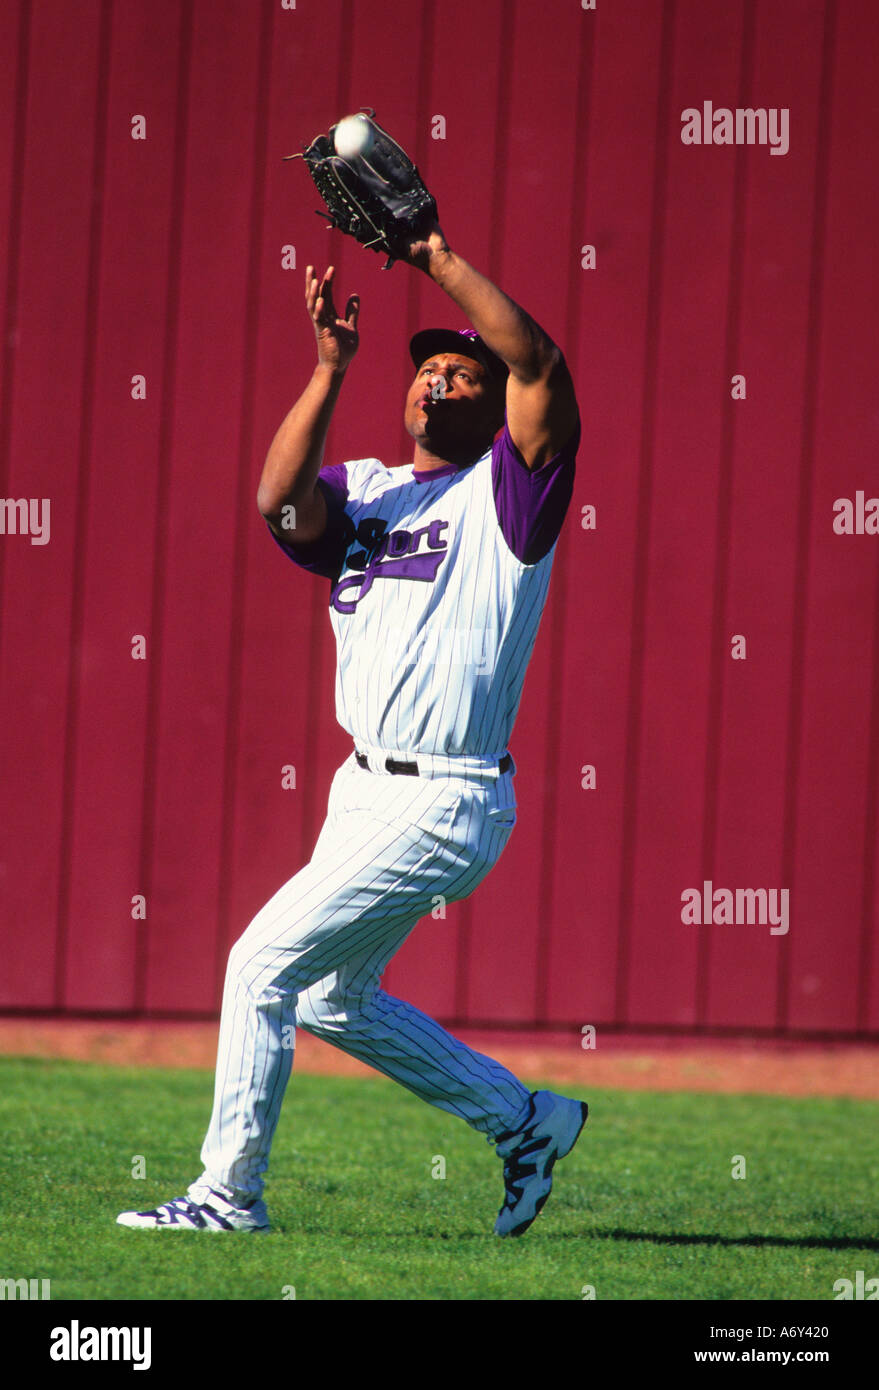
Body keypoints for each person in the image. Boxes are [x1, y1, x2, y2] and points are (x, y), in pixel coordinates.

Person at [117, 220, 587, 1239]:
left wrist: (435, 261)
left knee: (257, 965)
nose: (441, 382)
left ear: (493, 405)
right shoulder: (367, 491)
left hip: (444, 791)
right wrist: (329, 369)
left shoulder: (508, 494)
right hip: (363, 787)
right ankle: (525, 1120)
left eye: (464, 373)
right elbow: (276, 501)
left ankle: (226, 1196)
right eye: (429, 372)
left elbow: (539, 362)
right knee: (331, 995)